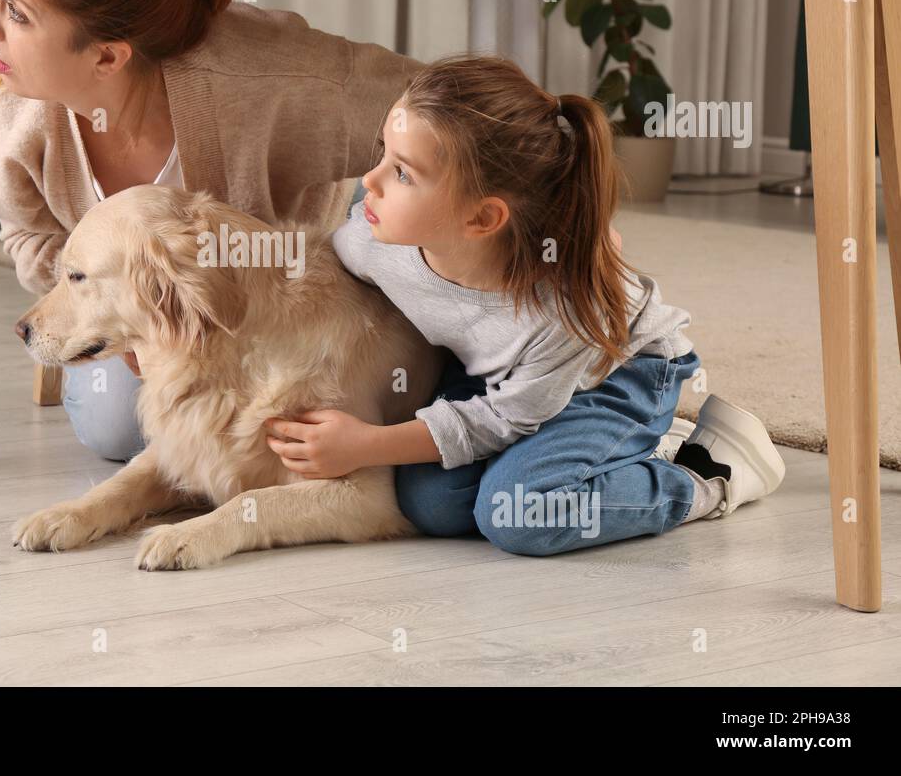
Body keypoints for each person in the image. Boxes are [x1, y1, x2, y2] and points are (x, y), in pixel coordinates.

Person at [0, 0, 422, 461]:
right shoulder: (4, 104)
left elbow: (442, 106)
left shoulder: (273, 82)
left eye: (16, 13)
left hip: (287, 294)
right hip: (148, 313)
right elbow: (26, 233)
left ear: (106, 55)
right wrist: (132, 305)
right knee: (117, 430)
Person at [263, 54, 786, 556]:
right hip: (504, 380)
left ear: (483, 219)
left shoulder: (558, 313)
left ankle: (705, 473)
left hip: (619, 375)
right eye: (382, 152)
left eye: (402, 173)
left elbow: (501, 420)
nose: (368, 182)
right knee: (433, 506)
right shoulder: (369, 240)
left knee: (517, 515)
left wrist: (364, 445)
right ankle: (608, 455)